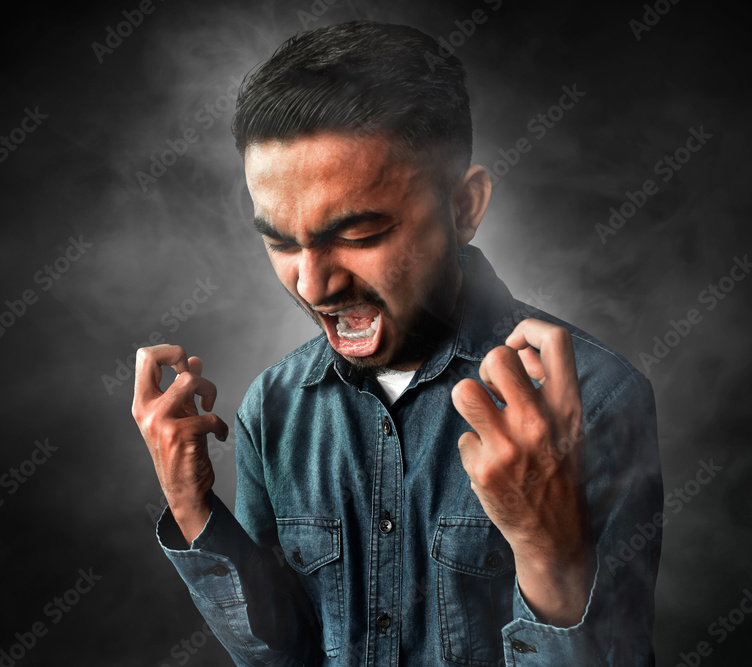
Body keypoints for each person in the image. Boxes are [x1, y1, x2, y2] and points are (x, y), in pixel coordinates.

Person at [132, 20, 662, 666]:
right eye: (280, 241)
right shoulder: (272, 406)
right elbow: (283, 657)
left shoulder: (597, 399)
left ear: (464, 208)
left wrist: (547, 551)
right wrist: (191, 507)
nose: (313, 282)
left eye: (357, 234)